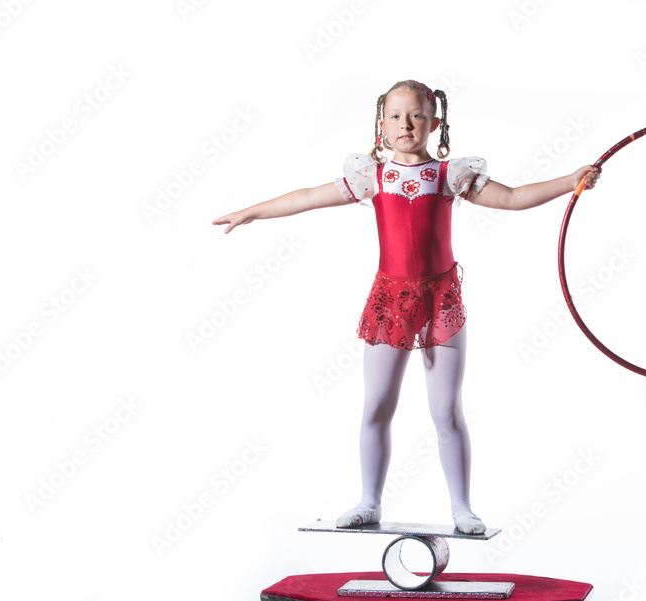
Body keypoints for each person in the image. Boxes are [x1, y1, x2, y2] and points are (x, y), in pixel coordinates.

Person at [213, 79, 600, 534]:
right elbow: (304, 198)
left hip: (441, 300)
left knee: (446, 411)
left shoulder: (450, 176)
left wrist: (569, 181)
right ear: (381, 125)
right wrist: (251, 211)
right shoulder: (371, 177)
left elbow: (513, 198)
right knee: (376, 404)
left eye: (416, 115)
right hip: (391, 300)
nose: (405, 124)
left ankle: (462, 508)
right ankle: (368, 501)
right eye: (396, 116)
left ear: (435, 123)